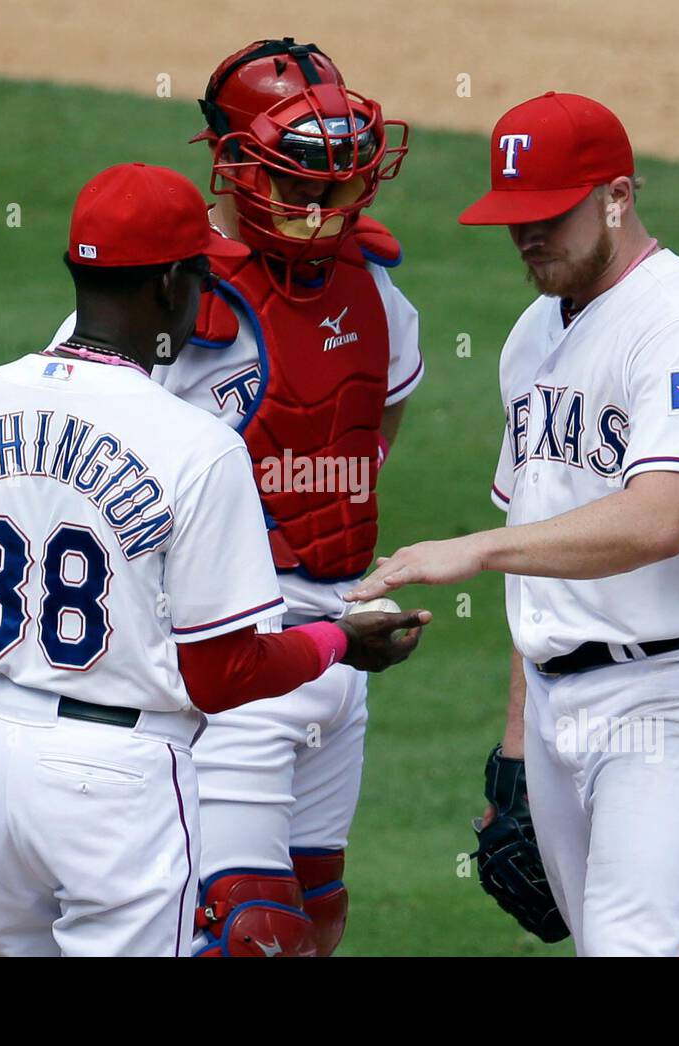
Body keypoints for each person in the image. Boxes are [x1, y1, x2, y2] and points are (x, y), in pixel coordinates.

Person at [0, 162, 428, 957]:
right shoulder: (197, 445)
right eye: (202, 274)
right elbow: (220, 675)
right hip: (119, 782)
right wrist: (341, 644)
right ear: (170, 285)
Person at [348, 92, 679, 957]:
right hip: (556, 700)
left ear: (617, 196)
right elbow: (545, 538)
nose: (528, 239)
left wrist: (474, 548)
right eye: (513, 221)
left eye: (548, 216)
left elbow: (659, 519)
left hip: (674, 693)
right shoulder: (532, 333)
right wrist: (517, 742)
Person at [49, 37, 422, 957]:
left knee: (317, 917)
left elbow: (368, 448)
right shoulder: (165, 309)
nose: (317, 209)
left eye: (336, 186)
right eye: (295, 183)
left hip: (343, 646)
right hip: (232, 657)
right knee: (246, 934)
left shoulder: (379, 298)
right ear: (230, 163)